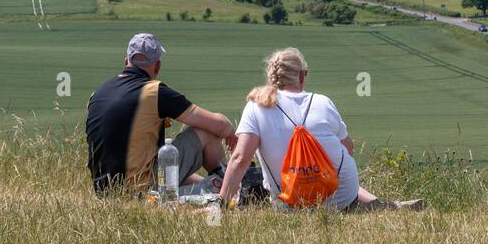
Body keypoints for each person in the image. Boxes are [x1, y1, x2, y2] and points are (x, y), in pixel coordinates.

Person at [216, 47, 421, 212]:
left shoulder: (255, 107)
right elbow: (347, 148)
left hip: (290, 204)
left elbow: (240, 159)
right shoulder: (322, 102)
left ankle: (381, 205)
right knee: (325, 170)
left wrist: (220, 205)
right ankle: (382, 205)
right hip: (340, 197)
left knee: (311, 174)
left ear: (272, 77)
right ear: (302, 76)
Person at [85, 33, 236, 195]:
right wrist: (230, 133)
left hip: (106, 194)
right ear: (157, 66)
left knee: (168, 158)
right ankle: (232, 188)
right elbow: (218, 125)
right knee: (204, 131)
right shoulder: (154, 92)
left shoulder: (97, 94)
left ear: (126, 61)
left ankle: (216, 186)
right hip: (142, 190)